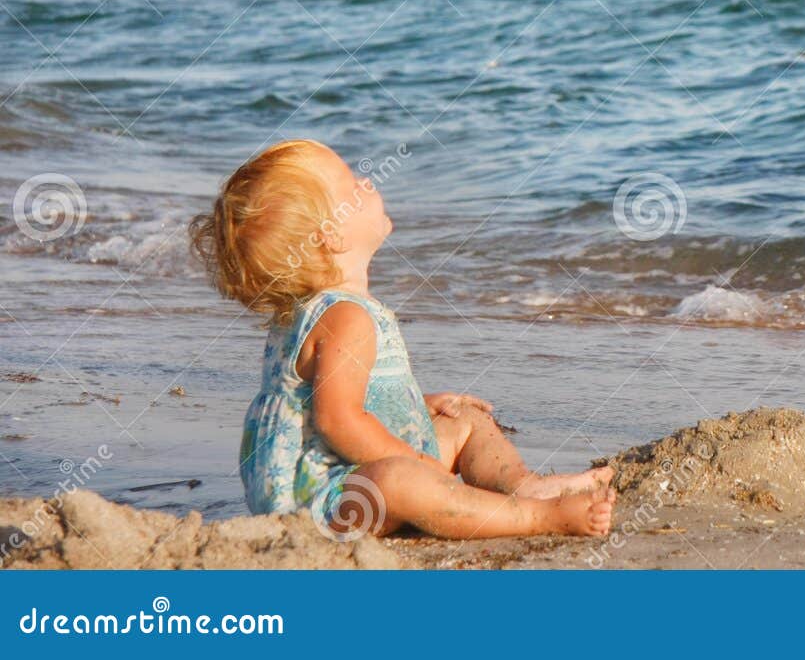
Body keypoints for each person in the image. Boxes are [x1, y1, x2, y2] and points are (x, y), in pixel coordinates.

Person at [190, 138, 615, 539]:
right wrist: (421, 463)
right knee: (400, 480)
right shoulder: (344, 317)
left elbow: (337, 394)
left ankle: (525, 486)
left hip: (341, 471)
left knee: (465, 419)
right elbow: (337, 421)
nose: (367, 181)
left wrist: (417, 403)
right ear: (331, 236)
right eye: (352, 184)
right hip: (324, 499)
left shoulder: (319, 311)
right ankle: (539, 517)